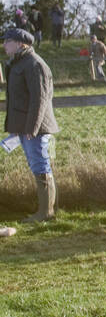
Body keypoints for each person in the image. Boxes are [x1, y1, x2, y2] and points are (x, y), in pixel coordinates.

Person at [3, 27, 59, 223]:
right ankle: (46, 211)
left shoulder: (34, 64)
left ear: (20, 43)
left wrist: (32, 127)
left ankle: (46, 213)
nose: (4, 45)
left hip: (36, 128)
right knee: (38, 166)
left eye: (7, 41)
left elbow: (40, 99)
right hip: (26, 128)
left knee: (41, 166)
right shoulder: (20, 63)